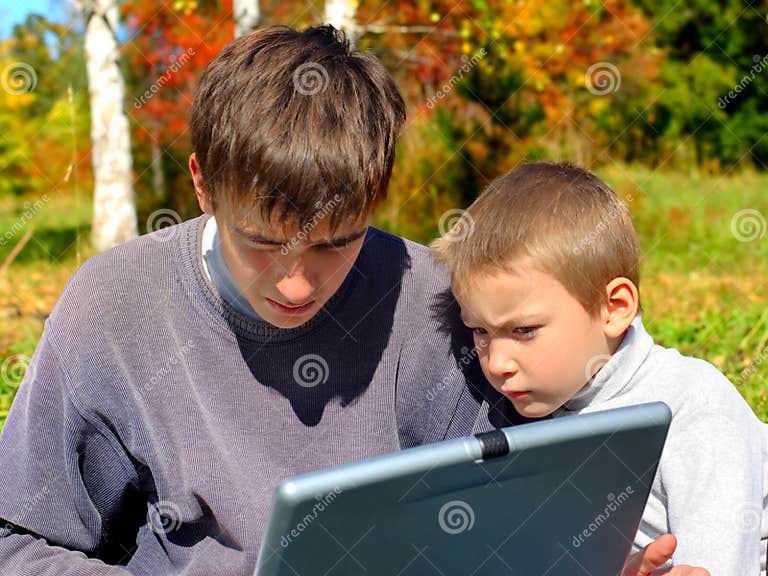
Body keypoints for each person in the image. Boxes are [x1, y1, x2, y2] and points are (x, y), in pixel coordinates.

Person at [0, 25, 707, 576]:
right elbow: (16, 540)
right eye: (261, 243)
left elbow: (509, 514)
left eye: (335, 243)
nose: (296, 284)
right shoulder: (115, 307)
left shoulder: (435, 299)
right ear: (201, 185)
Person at [432, 160, 768, 575]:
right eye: (479, 332)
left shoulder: (693, 406)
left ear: (614, 308)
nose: (498, 363)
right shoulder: (545, 407)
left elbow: (718, 566)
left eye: (523, 330)